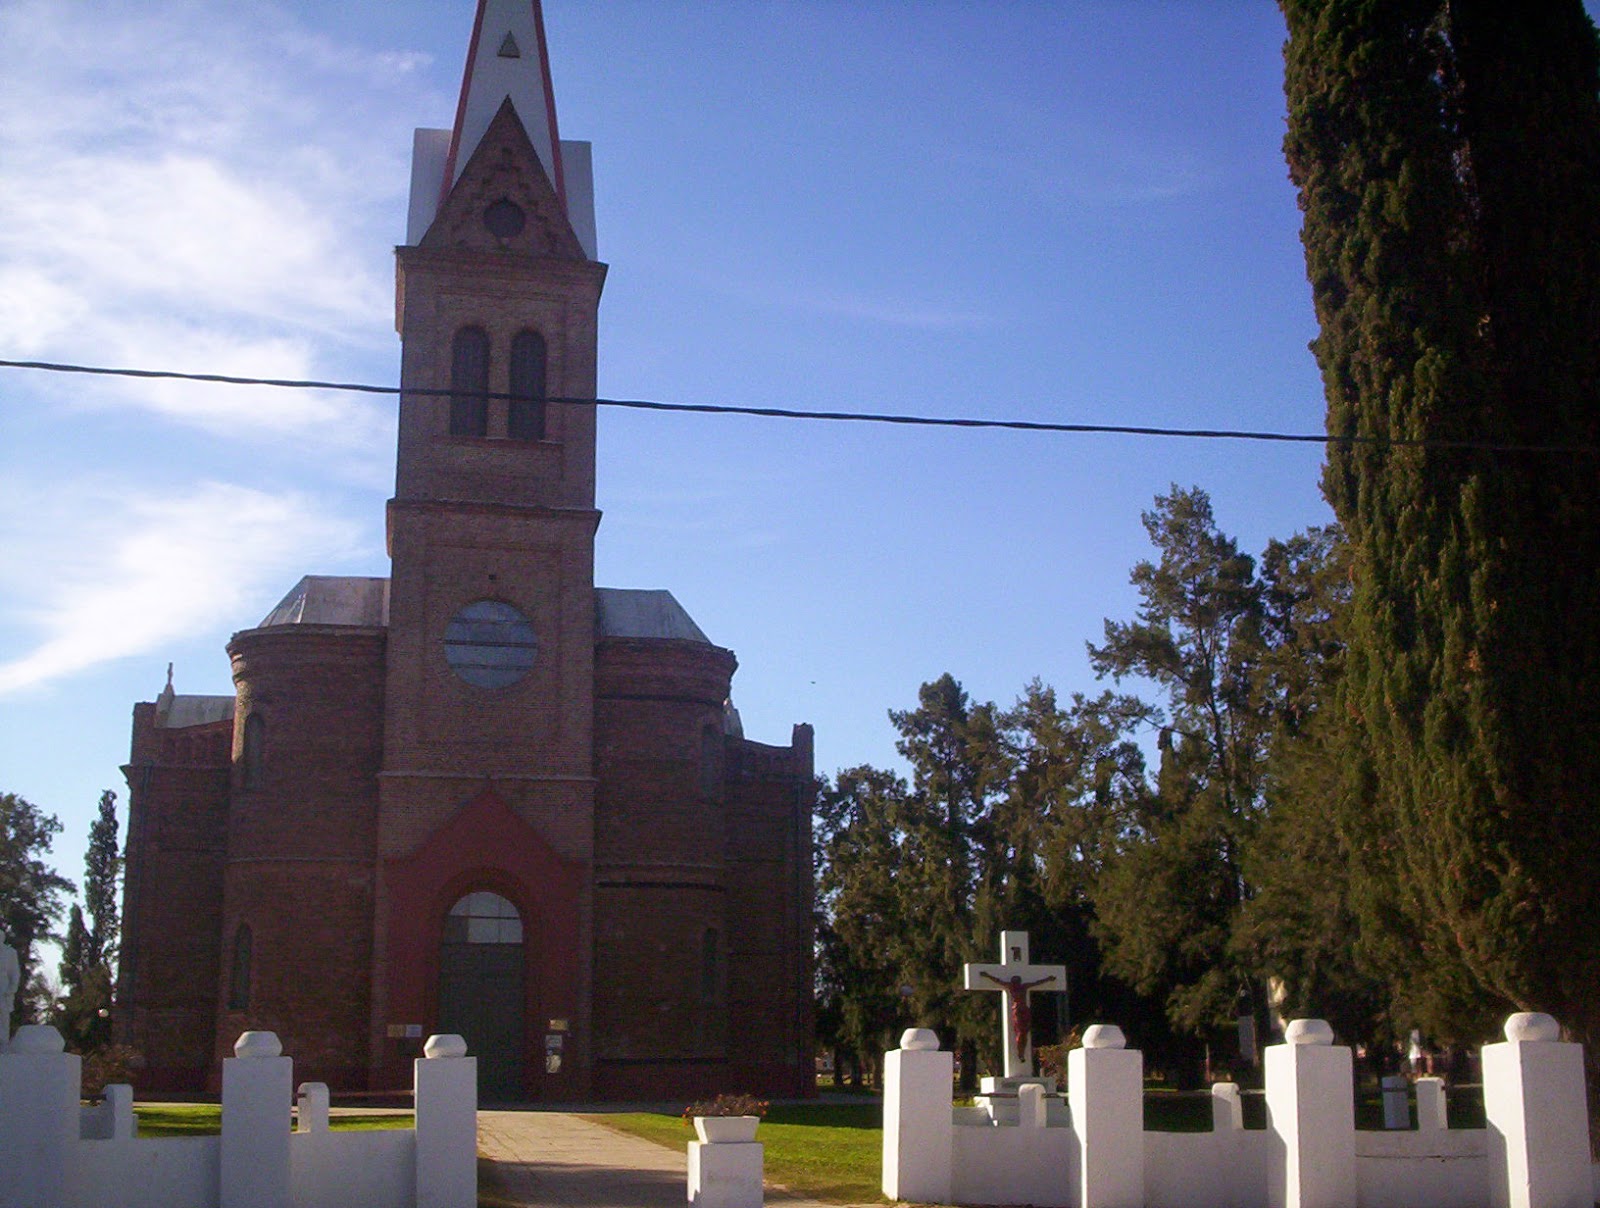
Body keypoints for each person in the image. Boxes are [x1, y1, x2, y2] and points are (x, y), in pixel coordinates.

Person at [980, 971, 1059, 1061]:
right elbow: (997, 981)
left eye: (1018, 980)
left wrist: (1048, 979)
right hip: (1017, 1010)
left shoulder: (1024, 987)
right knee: (1021, 1032)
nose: (1017, 982)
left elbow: (1037, 983)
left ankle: (1022, 1052)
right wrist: (987, 975)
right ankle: (1020, 1053)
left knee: (1025, 1033)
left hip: (1024, 1009)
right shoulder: (1010, 986)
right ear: (1013, 981)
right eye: (1016, 981)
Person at [0, 926, 20, 1044]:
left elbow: (14, 972)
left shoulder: (10, 952)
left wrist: (12, 988)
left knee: (3, 1013)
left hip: (3, 984)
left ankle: (2, 1041)